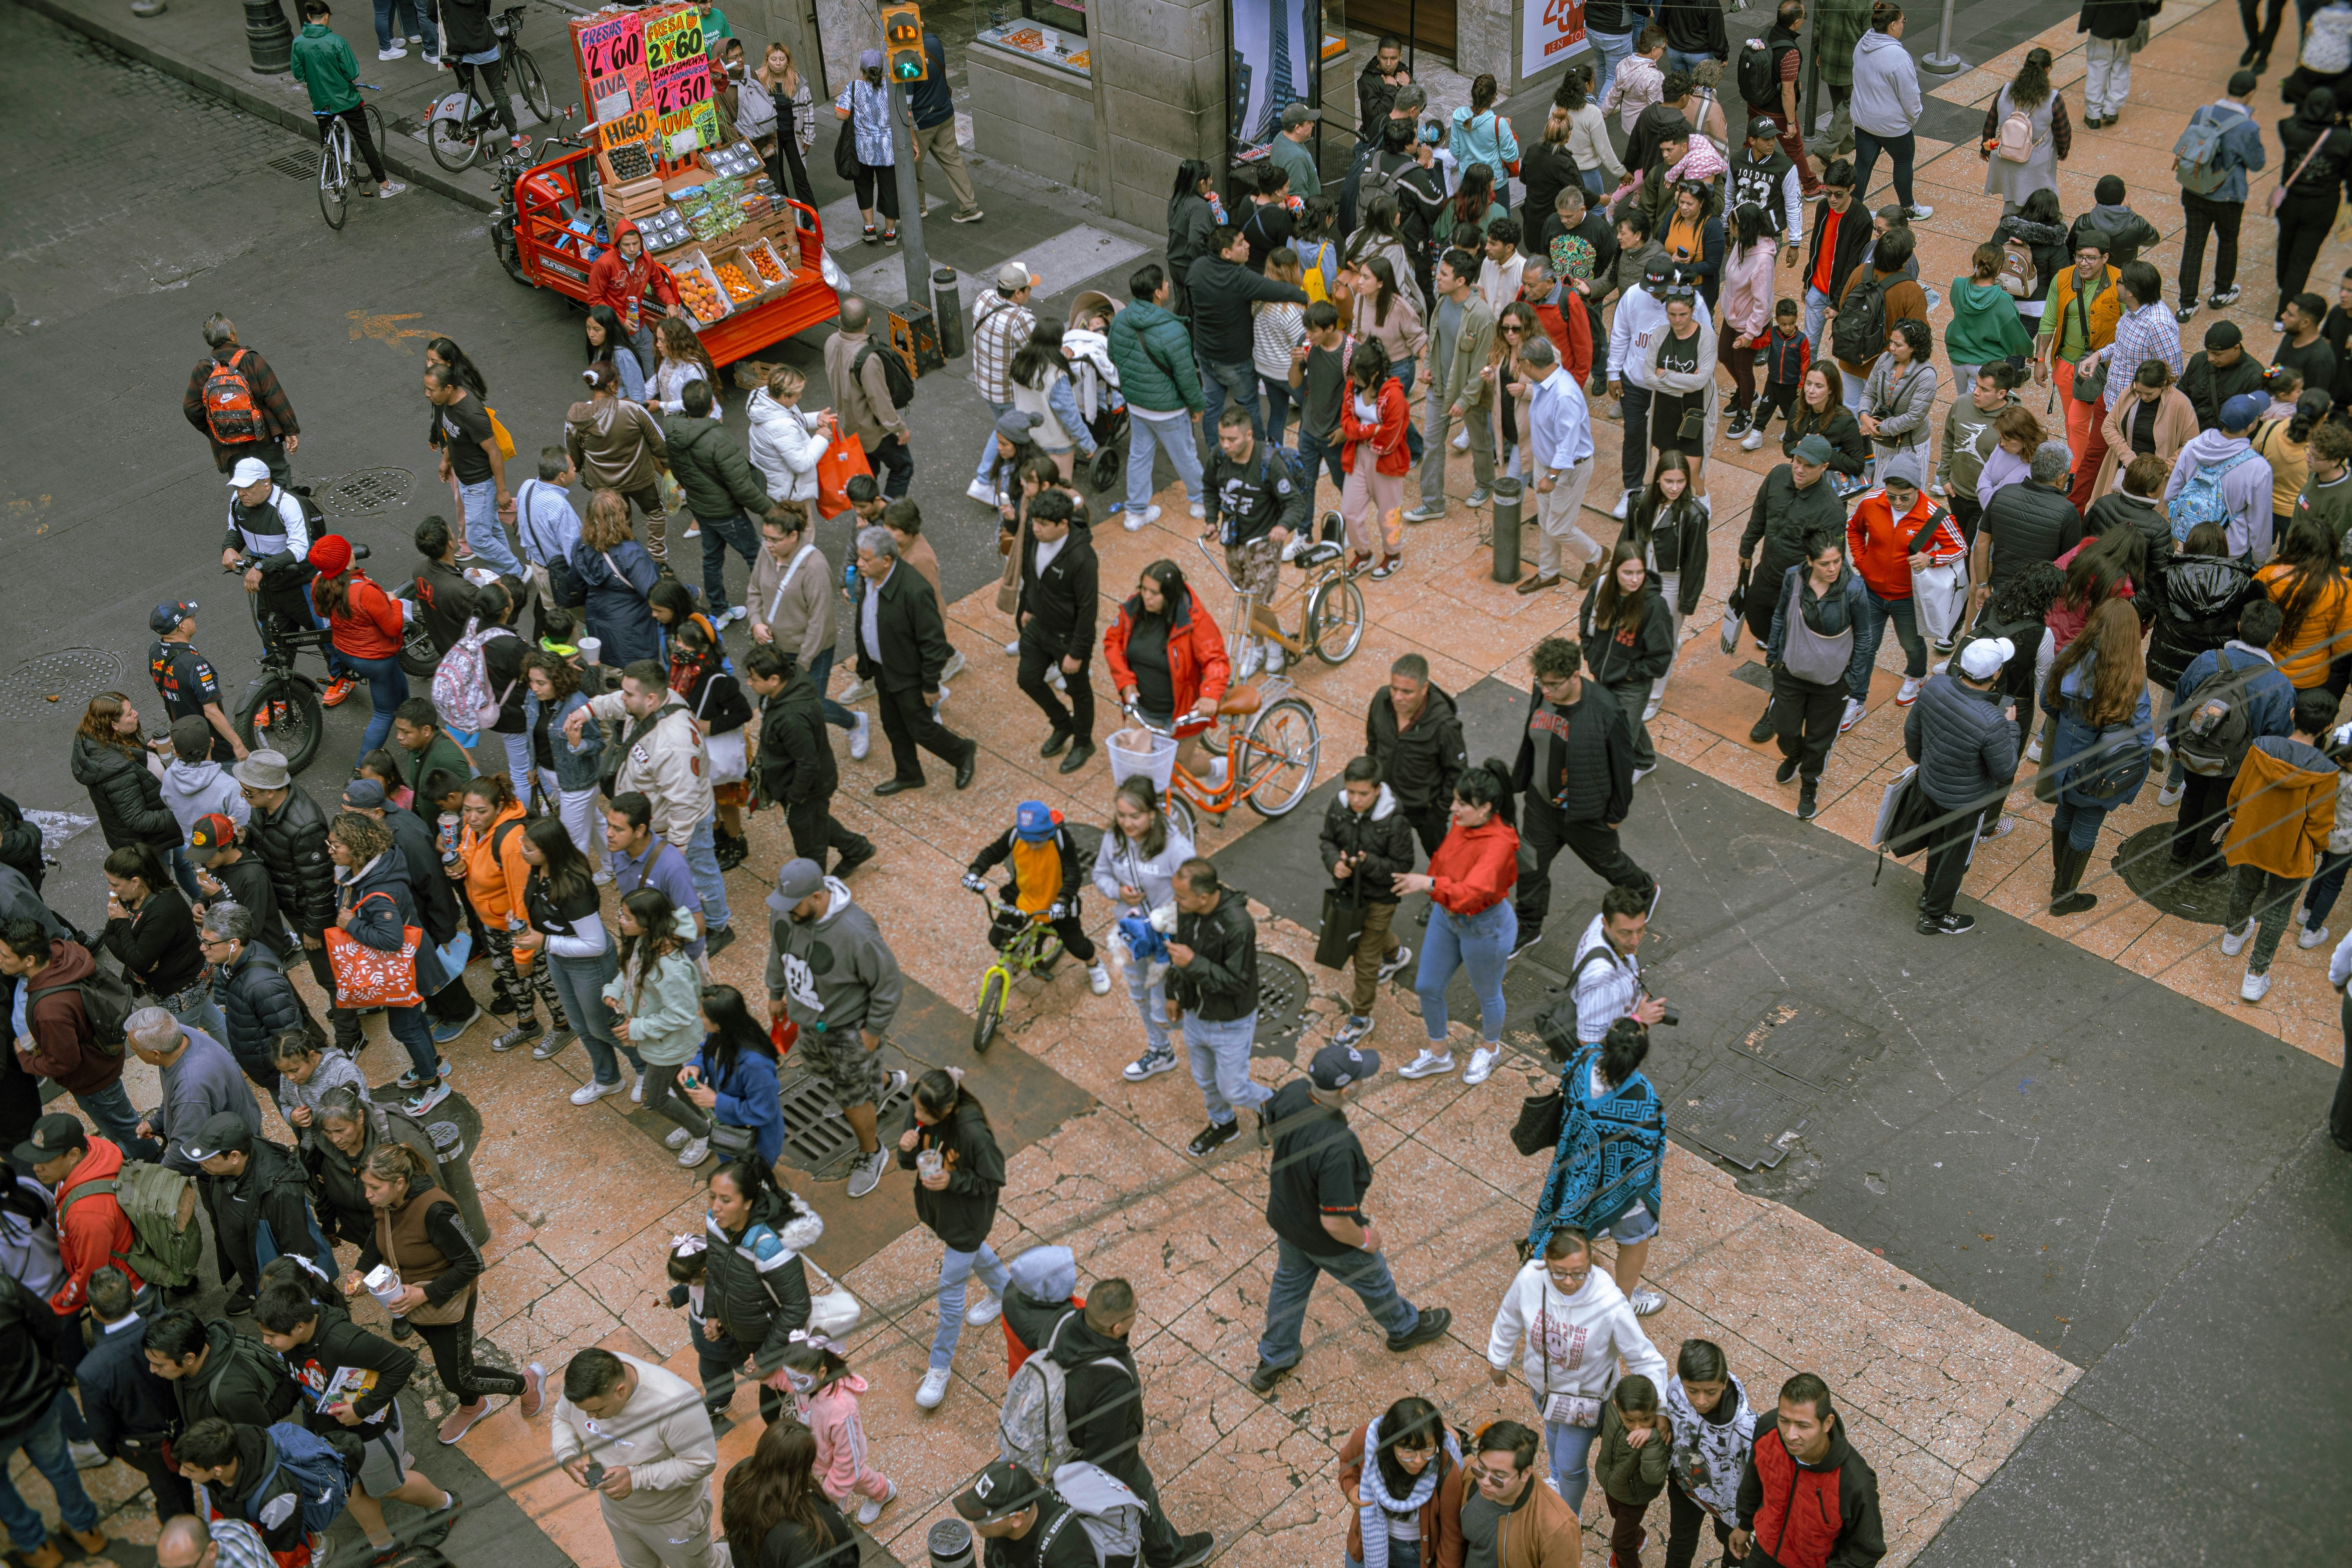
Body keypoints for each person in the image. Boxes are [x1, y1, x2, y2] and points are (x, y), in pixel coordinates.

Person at [355, 1138, 540, 1443]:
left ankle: (525, 1384)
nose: (368, 1195)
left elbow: (472, 1263)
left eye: (375, 1189)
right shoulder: (388, 1203)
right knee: (454, 1363)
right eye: (366, 1187)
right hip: (415, 1303)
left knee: (459, 1376)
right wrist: (360, 1271)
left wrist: (424, 1294)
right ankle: (473, 1405)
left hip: (447, 1301)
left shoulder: (435, 1210)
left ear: (400, 1183)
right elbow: (378, 1236)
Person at [255, 1278, 457, 1554]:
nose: (266, 1342)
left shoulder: (343, 1341)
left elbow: (402, 1363)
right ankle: (384, 1546)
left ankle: (444, 1505)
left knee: (390, 1487)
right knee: (350, 1489)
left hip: (370, 1434)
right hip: (335, 1435)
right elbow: (297, 1381)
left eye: (271, 1336)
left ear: (299, 1327)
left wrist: (361, 1410)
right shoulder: (293, 1344)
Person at [764, 856, 905, 1198]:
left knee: (851, 1096)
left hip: (850, 1028)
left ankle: (871, 1153)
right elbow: (778, 949)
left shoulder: (857, 933)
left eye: (793, 904)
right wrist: (776, 991)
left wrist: (871, 1033)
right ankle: (885, 1082)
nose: (785, 911)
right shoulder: (786, 909)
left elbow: (889, 987)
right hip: (809, 1021)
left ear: (817, 896)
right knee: (823, 1071)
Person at [1510, 637, 1650, 953]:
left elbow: (1622, 766)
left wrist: (1616, 815)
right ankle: (1528, 926)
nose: (1546, 691)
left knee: (1609, 864)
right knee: (1530, 867)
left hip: (1584, 813)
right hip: (1541, 806)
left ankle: (1644, 889)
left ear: (1576, 675)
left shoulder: (1605, 710)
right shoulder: (1543, 693)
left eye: (1554, 685)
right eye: (1541, 683)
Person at [2215, 688, 2341, 999]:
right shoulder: (2325, 772)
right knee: (2277, 909)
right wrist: (2319, 847)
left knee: (2245, 888)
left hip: (2253, 837)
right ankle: (2255, 976)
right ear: (2327, 728)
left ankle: (2233, 936)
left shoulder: (2261, 748)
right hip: (2291, 850)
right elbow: (2319, 823)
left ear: (2293, 715)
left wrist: (2239, 818)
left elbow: (2238, 793)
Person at [555, 1347, 720, 1568]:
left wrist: (636, 1478)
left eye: (598, 1410)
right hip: (617, 1513)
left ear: (620, 1391)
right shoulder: (585, 1387)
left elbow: (702, 1462)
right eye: (584, 1410)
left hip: (674, 1519)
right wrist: (566, 1452)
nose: (590, 1417)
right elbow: (563, 1417)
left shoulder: (677, 1404)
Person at [1904, 637, 2022, 935]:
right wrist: (2012, 727)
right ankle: (1935, 915)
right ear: (1995, 676)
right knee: (1957, 858)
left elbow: (1912, 733)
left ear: (1960, 667)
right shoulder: (1992, 720)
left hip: (1931, 785)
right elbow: (2005, 770)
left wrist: (1925, 765)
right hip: (1966, 802)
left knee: (1939, 843)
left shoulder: (1934, 687)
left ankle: (1929, 894)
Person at [849, 526, 976, 793]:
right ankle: (909, 774)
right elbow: (865, 623)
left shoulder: (914, 590)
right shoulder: (870, 579)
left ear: (886, 561)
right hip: (884, 670)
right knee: (893, 725)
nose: (859, 564)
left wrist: (930, 684)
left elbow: (933, 642)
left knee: (921, 729)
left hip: (908, 673)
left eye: (865, 559)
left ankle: (962, 752)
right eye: (859, 558)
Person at [1, 922, 143, 1149]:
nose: (0, 960)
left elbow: (64, 1062)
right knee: (125, 1121)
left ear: (29, 960)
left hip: (94, 1081)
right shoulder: (63, 951)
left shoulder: (50, 1011)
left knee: (126, 1131)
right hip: (104, 1058)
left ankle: (151, 1165)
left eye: (4, 956)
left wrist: (26, 1059)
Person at [1162, 858, 1270, 1156]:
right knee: (1206, 1081)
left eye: (1181, 896)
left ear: (1204, 897)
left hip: (1230, 1023)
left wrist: (1193, 963)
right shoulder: (1187, 910)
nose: (1175, 900)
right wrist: (1172, 993)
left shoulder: (1238, 926)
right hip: (1196, 1015)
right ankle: (1224, 1124)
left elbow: (1238, 983)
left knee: (1233, 1089)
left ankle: (1270, 1104)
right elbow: (1176, 953)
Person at [1728, 1375, 1885, 1568]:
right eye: (1784, 1421)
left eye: (1803, 1425)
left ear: (1827, 1423)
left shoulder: (1855, 1481)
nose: (1790, 1435)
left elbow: (1866, 1549)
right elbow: (1754, 1479)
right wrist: (1744, 1524)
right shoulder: (1769, 1428)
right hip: (1764, 1550)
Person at [1847, 472, 1966, 720]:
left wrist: (1931, 559)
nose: (1897, 503)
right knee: (1866, 647)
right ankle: (1857, 700)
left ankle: (1916, 675)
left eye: (1904, 497)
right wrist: (1860, 561)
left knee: (1911, 643)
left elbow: (1960, 548)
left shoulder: (1934, 515)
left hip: (1908, 597)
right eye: (1892, 496)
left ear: (1918, 490)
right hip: (1871, 591)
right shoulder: (1871, 501)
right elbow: (1853, 529)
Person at [76, 1265, 190, 1521]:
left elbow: (100, 1430)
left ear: (94, 1312)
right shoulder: (170, 1326)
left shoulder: (91, 1370)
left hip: (148, 1448)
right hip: (188, 1421)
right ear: (134, 1296)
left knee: (173, 1501)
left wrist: (117, 1451)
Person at [1319, 757, 1419, 1051]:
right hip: (1350, 892)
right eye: (1351, 792)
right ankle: (1397, 954)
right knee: (1372, 936)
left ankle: (1360, 1019)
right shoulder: (1339, 807)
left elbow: (1403, 865)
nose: (1356, 800)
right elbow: (1327, 840)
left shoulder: (1395, 820)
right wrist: (1334, 862)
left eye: (1363, 794)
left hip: (1381, 897)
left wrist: (1367, 863)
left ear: (1377, 790)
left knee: (1365, 959)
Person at [963, 802, 1111, 996]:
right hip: (1023, 897)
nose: (1033, 846)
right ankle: (1018, 953)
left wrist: (1063, 899)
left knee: (1076, 945)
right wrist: (975, 872)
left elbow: (1074, 873)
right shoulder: (1014, 835)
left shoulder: (1061, 839)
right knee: (996, 938)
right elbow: (992, 853)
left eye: (1038, 842)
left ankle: (1094, 965)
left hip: (1056, 903)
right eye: (1028, 841)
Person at [1107, 265, 1207, 529]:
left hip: (1137, 405)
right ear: (1158, 294)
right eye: (1164, 284)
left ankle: (1135, 513)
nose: (1167, 286)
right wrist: (1197, 405)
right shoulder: (1172, 330)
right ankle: (1200, 502)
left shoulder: (1119, 320)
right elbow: (1186, 376)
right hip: (1169, 410)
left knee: (1140, 455)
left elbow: (1113, 357)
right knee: (1185, 455)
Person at [663, 382, 769, 630]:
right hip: (726, 512)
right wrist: (770, 510)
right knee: (757, 555)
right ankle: (769, 608)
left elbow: (677, 472)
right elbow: (743, 488)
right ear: (712, 405)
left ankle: (720, 611)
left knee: (712, 559)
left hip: (702, 509)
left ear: (686, 406)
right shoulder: (719, 439)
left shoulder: (675, 434)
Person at [2176, 73, 2265, 322]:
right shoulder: (2248, 125)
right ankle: (2221, 293)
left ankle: (2186, 305)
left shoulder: (2203, 112)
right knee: (2228, 240)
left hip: (2194, 189)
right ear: (2250, 94)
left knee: (2194, 244)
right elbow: (2257, 163)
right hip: (2228, 196)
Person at [126, 1009, 258, 1176]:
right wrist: (157, 1122)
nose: (134, 1053)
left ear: (156, 1054)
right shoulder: (179, 1035)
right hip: (236, 1125)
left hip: (229, 1156)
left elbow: (186, 1152)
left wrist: (160, 1179)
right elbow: (172, 1094)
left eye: (135, 1050)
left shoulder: (191, 1090)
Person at [1336, 1396, 1463, 1568]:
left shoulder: (1446, 1471)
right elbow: (1347, 1462)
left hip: (1415, 1554)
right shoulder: (1368, 1440)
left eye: (1427, 1450)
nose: (1419, 1461)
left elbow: (1452, 1539)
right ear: (1390, 1442)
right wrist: (1351, 1489)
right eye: (1408, 1451)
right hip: (1367, 1541)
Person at [568, 360, 673, 561]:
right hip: (641, 478)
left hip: (603, 486)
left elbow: (575, 458)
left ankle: (629, 561)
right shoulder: (633, 410)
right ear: (614, 385)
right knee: (655, 512)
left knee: (620, 523)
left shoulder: (576, 418)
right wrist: (669, 470)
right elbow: (660, 445)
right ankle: (658, 559)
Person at [1453, 1420, 1585, 1568]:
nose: (1484, 1482)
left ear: (1526, 1473)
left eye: (1498, 1477)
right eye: (1481, 1469)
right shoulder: (1469, 1474)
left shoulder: (1559, 1529)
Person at [185, 314, 299, 484]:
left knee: (246, 489)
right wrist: (290, 431)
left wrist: (215, 429)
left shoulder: (202, 370)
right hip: (263, 439)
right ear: (231, 336)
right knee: (278, 479)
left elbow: (191, 409)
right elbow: (275, 397)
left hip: (229, 445)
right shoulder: (252, 360)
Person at [200, 904, 299, 1096]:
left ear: (234, 944)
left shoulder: (263, 985)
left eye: (208, 943)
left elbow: (288, 1038)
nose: (202, 948)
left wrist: (288, 1081)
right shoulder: (237, 960)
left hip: (279, 1078)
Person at [2165, 392, 2278, 561]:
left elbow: (2170, 496)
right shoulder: (2258, 467)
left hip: (2192, 542)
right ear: (2250, 426)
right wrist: (2260, 559)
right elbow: (2259, 522)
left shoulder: (2192, 447)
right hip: (2230, 550)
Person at [2272, 91, 2350, 326]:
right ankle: (2282, 315)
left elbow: (2286, 120)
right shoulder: (2344, 139)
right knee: (2302, 259)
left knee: (2286, 243)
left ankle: (2284, 286)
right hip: (2322, 205)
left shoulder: (2290, 129)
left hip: (2291, 201)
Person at [824, 298, 915, 501]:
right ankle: (888, 516)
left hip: (849, 429)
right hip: (875, 433)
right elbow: (879, 402)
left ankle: (865, 517)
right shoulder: (868, 359)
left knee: (867, 477)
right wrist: (899, 429)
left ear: (840, 319)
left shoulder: (831, 342)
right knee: (903, 467)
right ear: (868, 322)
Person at [1336, 339, 1411, 577]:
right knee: (1349, 511)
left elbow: (1390, 439)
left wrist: (1361, 433)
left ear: (1375, 373)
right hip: (1358, 456)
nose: (1353, 381)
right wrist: (1371, 430)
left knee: (1389, 513)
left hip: (1386, 463)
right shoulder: (1352, 388)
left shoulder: (1395, 397)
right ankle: (1364, 554)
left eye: (1358, 376)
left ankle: (1393, 555)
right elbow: (1346, 423)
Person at [1848, 4, 1926, 216]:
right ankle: (1908, 208)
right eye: (1903, 22)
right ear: (1893, 25)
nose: (1903, 26)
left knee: (1862, 164)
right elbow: (1910, 97)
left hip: (1863, 119)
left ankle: (1853, 211)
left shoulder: (1863, 44)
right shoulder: (1898, 57)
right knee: (1903, 161)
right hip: (1892, 126)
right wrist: (1913, 117)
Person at [147, 603, 245, 767]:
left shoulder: (155, 649)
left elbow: (161, 690)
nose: (194, 619)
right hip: (211, 743)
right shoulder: (196, 664)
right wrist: (238, 745)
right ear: (182, 626)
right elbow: (212, 713)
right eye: (191, 617)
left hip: (184, 737)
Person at [1979, 47, 2068, 213]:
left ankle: (2007, 230)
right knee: (2035, 203)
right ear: (2047, 70)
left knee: (2012, 201)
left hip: (2005, 155)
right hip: (2036, 162)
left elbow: (1991, 122)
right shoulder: (2053, 99)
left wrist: (1985, 149)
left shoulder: (2006, 90)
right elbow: (2063, 133)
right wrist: (2063, 152)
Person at [833, 51, 902, 243]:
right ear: (882, 70)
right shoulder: (892, 87)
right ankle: (890, 233)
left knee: (864, 187)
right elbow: (903, 115)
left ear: (862, 70)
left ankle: (870, 229)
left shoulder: (855, 88)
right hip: (888, 151)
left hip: (862, 151)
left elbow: (841, 114)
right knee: (890, 189)